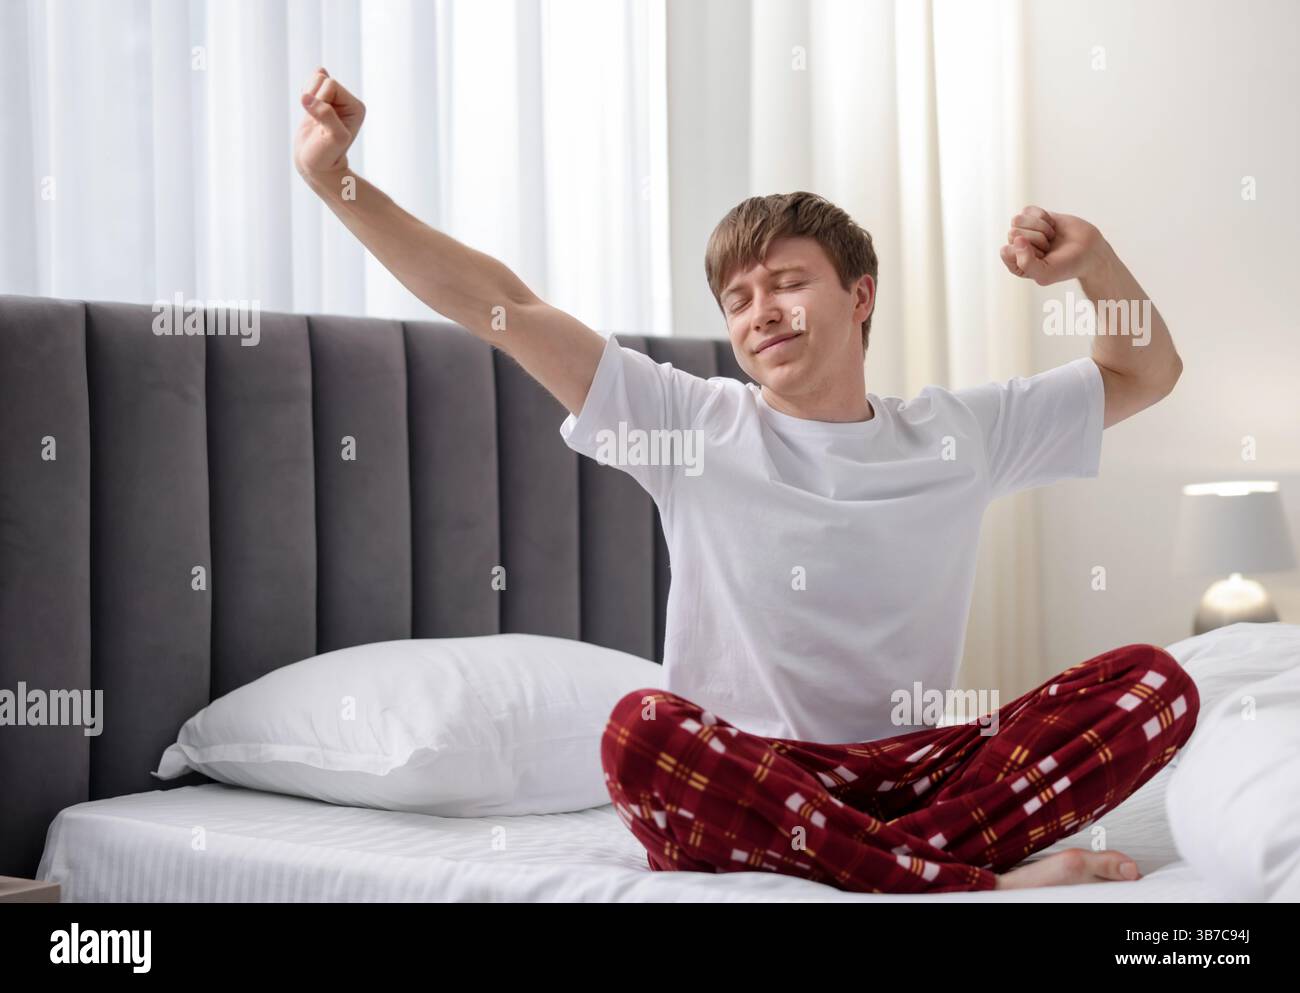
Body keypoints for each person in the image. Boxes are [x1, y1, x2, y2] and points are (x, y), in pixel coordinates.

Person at [293, 67, 1196, 893]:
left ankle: (894, 858)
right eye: (738, 297)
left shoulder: (959, 433)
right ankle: (968, 881)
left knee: (1156, 681)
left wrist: (1096, 264)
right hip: (741, 782)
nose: (761, 311)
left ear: (861, 296)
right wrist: (339, 183)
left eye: (788, 282)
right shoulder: (689, 424)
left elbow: (1144, 374)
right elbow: (507, 308)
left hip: (913, 773)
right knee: (640, 728)